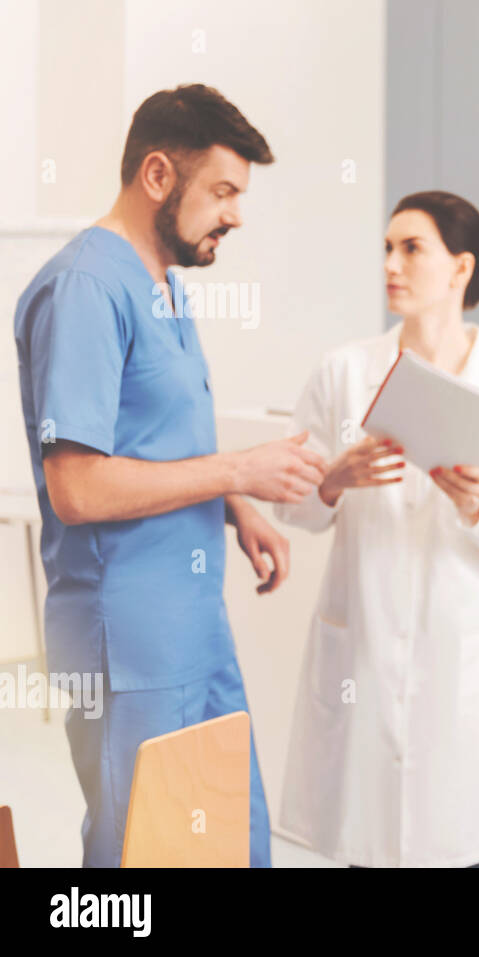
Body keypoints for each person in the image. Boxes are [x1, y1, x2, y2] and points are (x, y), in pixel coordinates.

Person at [13, 85, 325, 867]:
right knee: (142, 855)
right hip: (128, 635)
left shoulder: (166, 285)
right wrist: (238, 467)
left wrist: (234, 505)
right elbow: (77, 487)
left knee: (223, 836)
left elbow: (152, 440)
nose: (236, 214)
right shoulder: (85, 286)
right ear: (158, 174)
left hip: (193, 621)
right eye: (223, 191)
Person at [274, 190, 479, 868]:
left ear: (461, 269)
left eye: (411, 248)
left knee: (450, 842)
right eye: (386, 248)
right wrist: (333, 479)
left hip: (453, 652)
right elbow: (293, 500)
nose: (391, 265)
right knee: (364, 844)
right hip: (362, 643)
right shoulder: (344, 372)